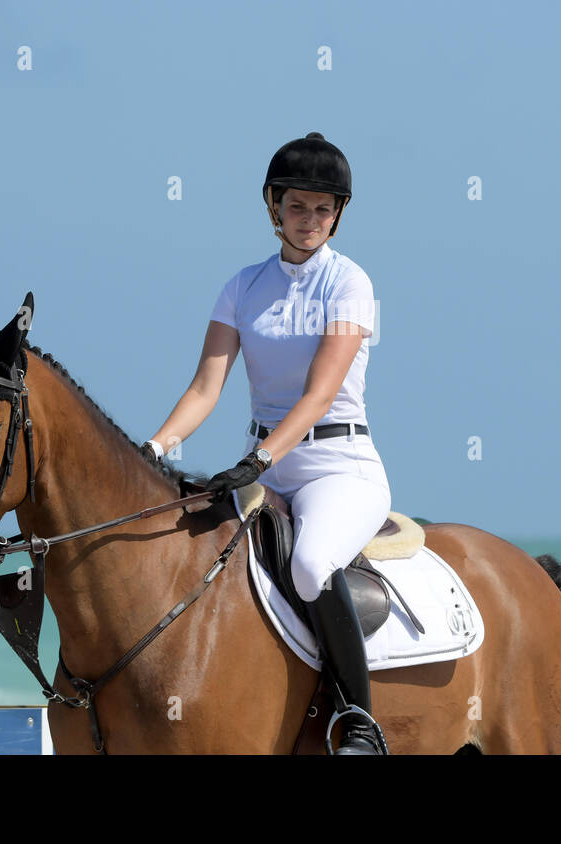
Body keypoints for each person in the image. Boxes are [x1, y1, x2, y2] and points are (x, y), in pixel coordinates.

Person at [143, 132, 391, 754]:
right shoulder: (242, 286)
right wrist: (155, 447)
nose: (310, 221)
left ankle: (358, 722)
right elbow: (206, 387)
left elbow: (317, 394)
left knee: (310, 564)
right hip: (267, 469)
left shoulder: (350, 283)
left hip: (339, 467)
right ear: (273, 206)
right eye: (298, 206)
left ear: (338, 215)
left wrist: (258, 459)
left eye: (323, 209)